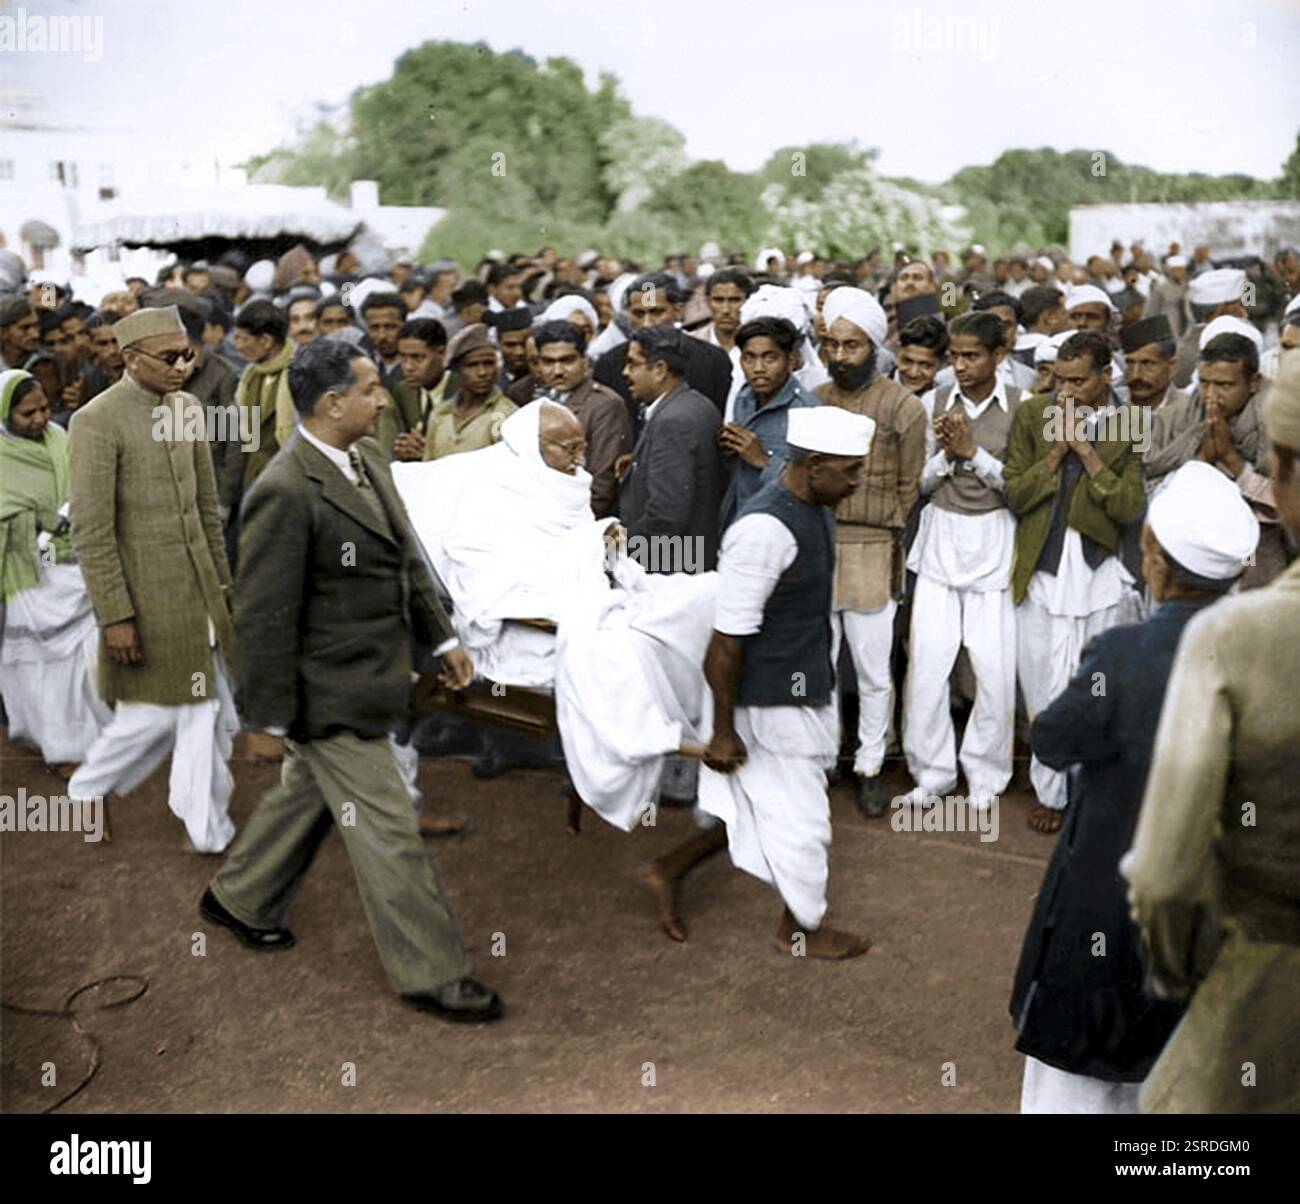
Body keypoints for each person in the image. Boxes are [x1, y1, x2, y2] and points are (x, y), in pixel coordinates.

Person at [201, 339, 500, 1023]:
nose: (381, 397)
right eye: (369, 388)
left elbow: (407, 560)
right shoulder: (281, 490)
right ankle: (435, 973)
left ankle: (238, 898)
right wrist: (268, 720)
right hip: (328, 694)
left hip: (373, 676)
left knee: (305, 797)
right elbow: (264, 619)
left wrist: (443, 638)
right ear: (332, 403)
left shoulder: (365, 458)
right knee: (391, 830)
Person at [1011, 460, 1258, 1113]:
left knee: (1072, 1083)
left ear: (1152, 556)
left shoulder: (1122, 656)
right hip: (1210, 925)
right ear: (1239, 572)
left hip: (1105, 906)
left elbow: (1053, 741)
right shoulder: (1268, 664)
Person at [1123, 351, 1300, 1114]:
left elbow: (1163, 878)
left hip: (1266, 992)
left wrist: (1182, 975)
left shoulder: (1238, 638)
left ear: (1284, 471)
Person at [694, 406, 876, 957]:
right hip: (773, 700)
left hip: (804, 685)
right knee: (803, 821)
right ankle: (800, 929)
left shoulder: (813, 501)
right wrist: (724, 731)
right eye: (848, 471)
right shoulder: (763, 530)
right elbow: (725, 641)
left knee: (777, 806)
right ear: (814, 464)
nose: (855, 482)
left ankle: (672, 869)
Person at [66, 307, 238, 852]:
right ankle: (98, 793)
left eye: (187, 355)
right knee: (170, 712)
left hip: (200, 595)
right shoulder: (96, 420)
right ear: (129, 359)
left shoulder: (187, 409)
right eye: (169, 358)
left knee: (192, 709)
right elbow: (91, 532)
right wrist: (115, 616)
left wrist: (224, 590)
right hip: (148, 598)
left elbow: (207, 511)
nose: (183, 367)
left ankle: (197, 819)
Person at [1004, 330, 1145, 833]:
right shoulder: (1031, 414)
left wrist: (1088, 454)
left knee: (1094, 691)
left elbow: (1130, 507)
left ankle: (1088, 792)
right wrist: (1056, 453)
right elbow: (1015, 495)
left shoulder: (1132, 422)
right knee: (1041, 688)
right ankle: (1048, 791)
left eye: (1078, 382)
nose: (1065, 391)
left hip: (1099, 576)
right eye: (1058, 379)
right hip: (1040, 573)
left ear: (1107, 377)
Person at [900, 312, 1022, 812]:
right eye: (955, 356)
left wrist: (972, 453)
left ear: (999, 355)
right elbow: (921, 485)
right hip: (941, 540)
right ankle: (932, 775)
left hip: (993, 540)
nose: (961, 365)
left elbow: (1021, 486)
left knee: (993, 669)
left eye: (972, 355)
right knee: (928, 665)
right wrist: (948, 458)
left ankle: (987, 774)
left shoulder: (1024, 406)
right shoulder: (934, 401)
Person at [818, 287, 927, 814]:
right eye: (832, 345)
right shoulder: (816, 397)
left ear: (873, 345)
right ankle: (820, 760)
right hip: (820, 547)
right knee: (818, 664)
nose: (840, 356)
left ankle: (869, 764)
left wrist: (876, 521)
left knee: (872, 669)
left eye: (851, 345)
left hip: (872, 549)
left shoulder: (904, 407)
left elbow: (909, 490)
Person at [0, 369, 111, 769]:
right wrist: (33, 526)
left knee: (82, 660)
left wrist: (63, 522)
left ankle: (89, 740)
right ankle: (61, 749)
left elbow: (81, 488)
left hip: (69, 565)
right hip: (23, 573)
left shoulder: (60, 438)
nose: (40, 419)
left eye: (45, 408)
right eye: (27, 413)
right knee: (40, 667)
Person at [1145, 332, 1286, 588]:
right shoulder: (1179, 416)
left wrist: (1233, 463)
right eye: (1205, 383)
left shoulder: (1279, 423)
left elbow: (1286, 503)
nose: (1211, 395)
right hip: (1193, 553)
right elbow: (1153, 482)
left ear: (1253, 382)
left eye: (1224, 385)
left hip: (1259, 551)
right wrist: (1202, 461)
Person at [618, 325, 725, 573]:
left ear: (660, 370)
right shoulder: (695, 404)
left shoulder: (673, 421)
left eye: (633, 364)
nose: (625, 372)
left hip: (670, 565)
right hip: (687, 557)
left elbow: (667, 514)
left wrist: (617, 550)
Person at [594, 272, 734, 431]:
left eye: (656, 312)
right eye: (638, 314)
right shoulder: (610, 364)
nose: (647, 323)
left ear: (678, 311)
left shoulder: (711, 360)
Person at [718, 315, 820, 529]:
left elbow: (813, 484)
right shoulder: (744, 398)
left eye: (769, 358)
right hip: (741, 519)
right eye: (749, 358)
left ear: (790, 361)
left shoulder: (806, 410)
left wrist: (764, 461)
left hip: (782, 527)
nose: (758, 368)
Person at [531, 319, 631, 519]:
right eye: (548, 362)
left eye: (567, 360)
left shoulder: (604, 405)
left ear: (584, 360)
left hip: (578, 522)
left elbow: (603, 484)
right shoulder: (536, 400)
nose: (557, 371)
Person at [423, 323, 516, 461]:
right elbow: (428, 463)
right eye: (472, 365)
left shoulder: (502, 414)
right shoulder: (440, 414)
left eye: (489, 363)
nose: (482, 372)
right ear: (457, 370)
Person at [232, 299, 294, 503]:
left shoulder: (300, 372)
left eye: (243, 339)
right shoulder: (249, 377)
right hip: (253, 479)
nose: (237, 346)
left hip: (288, 479)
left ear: (266, 341)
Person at [377, 318, 447, 461]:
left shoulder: (464, 390)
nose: (408, 367)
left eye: (417, 358)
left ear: (441, 353)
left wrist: (429, 452)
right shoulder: (402, 391)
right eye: (403, 357)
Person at [693, 268, 754, 353]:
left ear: (749, 301)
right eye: (718, 300)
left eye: (734, 300)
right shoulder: (691, 344)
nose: (726, 310)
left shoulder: (762, 345)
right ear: (708, 301)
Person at [360, 292, 407, 390]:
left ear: (404, 325)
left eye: (390, 327)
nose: (382, 336)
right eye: (374, 328)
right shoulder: (357, 365)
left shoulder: (421, 365)